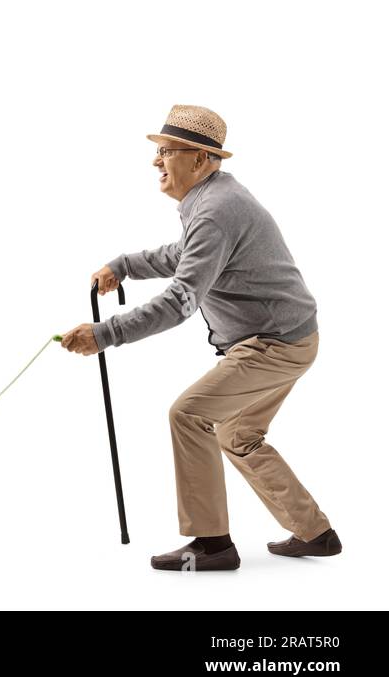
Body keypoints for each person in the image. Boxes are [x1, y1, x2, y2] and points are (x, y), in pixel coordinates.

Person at [60, 104, 339, 571]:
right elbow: (186, 255)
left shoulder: (216, 209)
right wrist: (125, 265)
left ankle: (211, 545)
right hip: (290, 337)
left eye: (166, 151)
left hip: (274, 343)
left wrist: (106, 334)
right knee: (239, 434)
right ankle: (316, 533)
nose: (156, 161)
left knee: (188, 415)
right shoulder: (213, 200)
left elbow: (179, 302)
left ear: (200, 158)